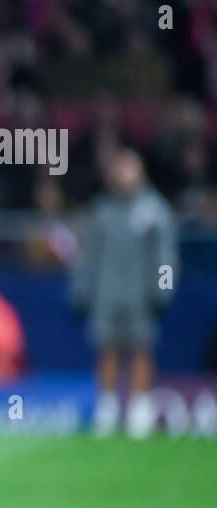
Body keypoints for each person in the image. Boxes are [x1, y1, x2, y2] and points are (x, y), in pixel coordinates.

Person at [73, 148, 178, 438]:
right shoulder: (101, 212)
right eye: (118, 169)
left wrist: (163, 290)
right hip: (106, 293)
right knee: (106, 348)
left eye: (128, 169)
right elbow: (87, 256)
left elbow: (165, 258)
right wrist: (81, 288)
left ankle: (140, 409)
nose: (122, 175)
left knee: (141, 349)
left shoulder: (154, 210)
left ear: (140, 172)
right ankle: (107, 409)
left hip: (140, 295)